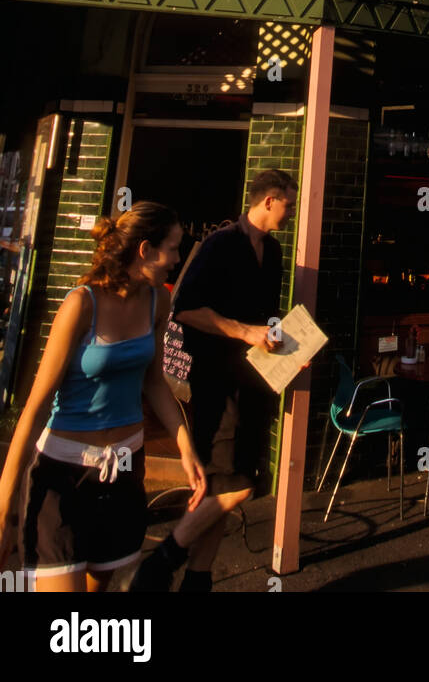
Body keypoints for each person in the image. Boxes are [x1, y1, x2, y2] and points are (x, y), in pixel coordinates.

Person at [0, 201, 206, 592]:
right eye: (174, 248)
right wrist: (5, 503)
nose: (178, 259)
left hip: (124, 471)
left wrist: (185, 446)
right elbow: (37, 406)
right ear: (145, 250)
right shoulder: (81, 305)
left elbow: (155, 382)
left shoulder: (157, 302)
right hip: (63, 474)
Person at [130, 168, 298, 593]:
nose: (291, 212)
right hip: (217, 385)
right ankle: (163, 559)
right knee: (239, 484)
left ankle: (198, 580)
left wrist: (280, 340)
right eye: (288, 204)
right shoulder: (220, 245)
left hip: (255, 380)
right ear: (268, 201)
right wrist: (243, 331)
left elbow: (266, 315)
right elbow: (184, 309)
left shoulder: (275, 254)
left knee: (221, 484)